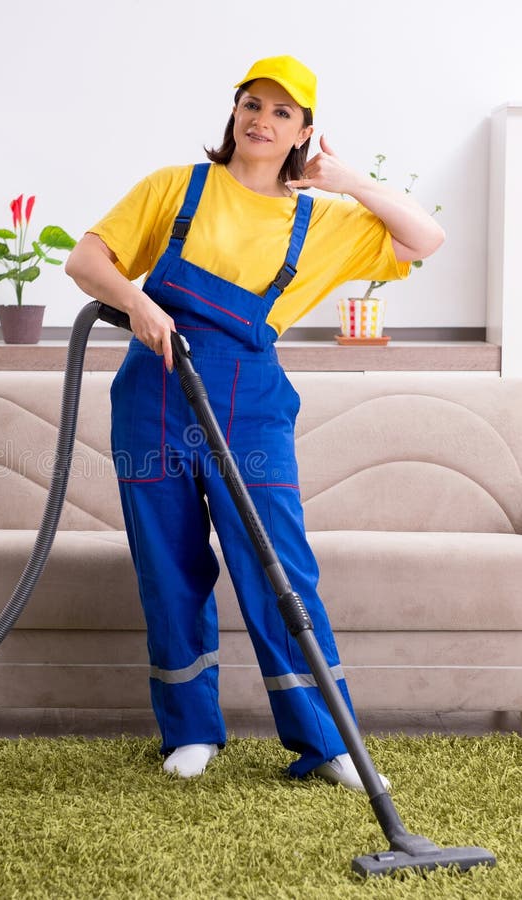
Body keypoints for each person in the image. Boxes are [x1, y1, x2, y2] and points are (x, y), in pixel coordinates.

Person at [65, 55, 444, 788]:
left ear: (303, 130)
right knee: (168, 567)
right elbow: (87, 260)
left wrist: (353, 182)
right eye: (250, 103)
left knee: (279, 567)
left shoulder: (323, 219)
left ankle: (325, 741)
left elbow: (422, 240)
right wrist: (139, 305)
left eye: (279, 111)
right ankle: (190, 732)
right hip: (155, 395)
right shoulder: (176, 188)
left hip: (250, 408)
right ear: (233, 113)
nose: (259, 120)